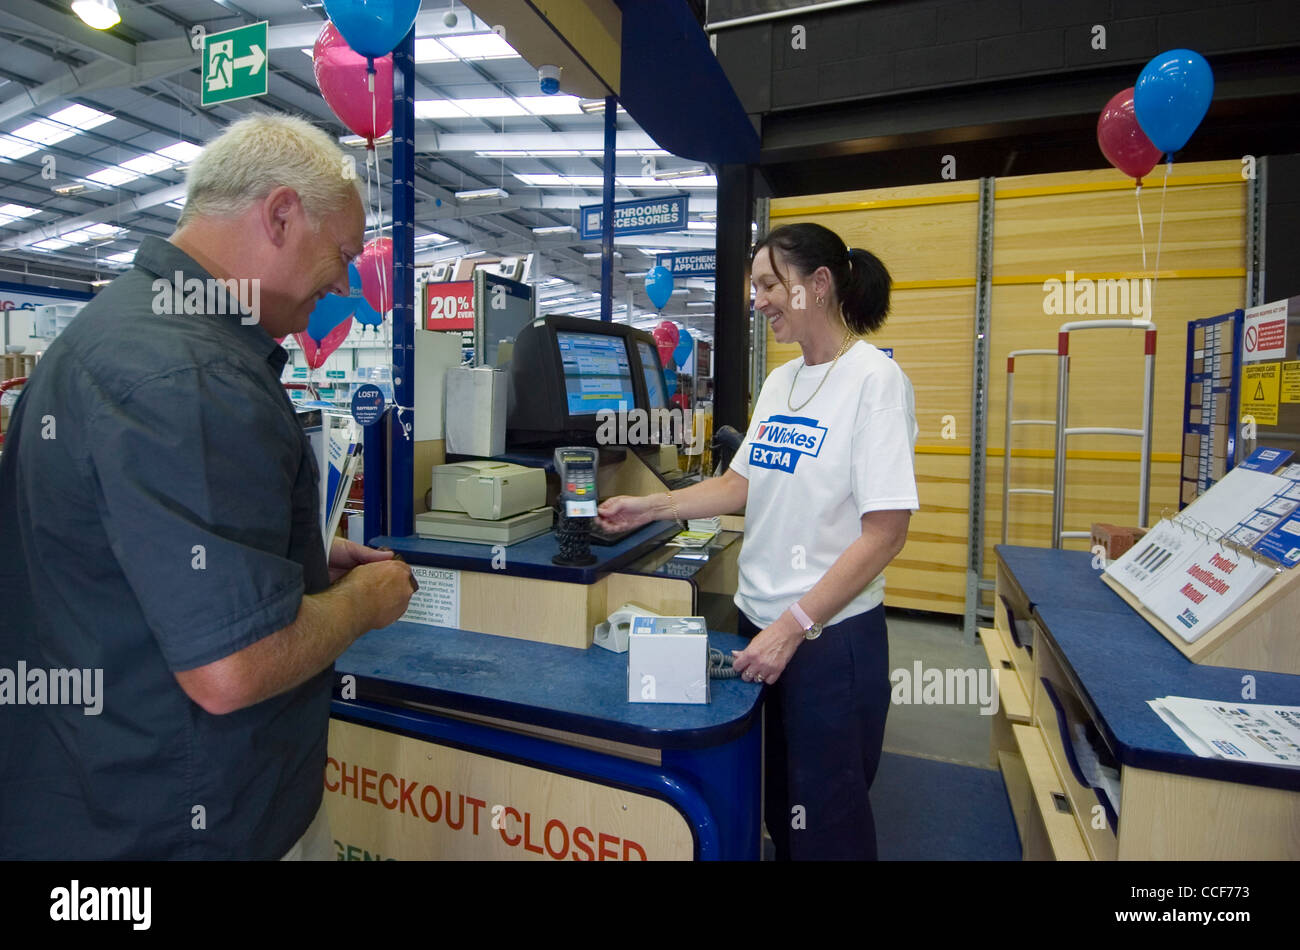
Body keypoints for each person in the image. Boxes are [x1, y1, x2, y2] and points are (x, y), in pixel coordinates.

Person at [0, 114, 417, 859]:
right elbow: (229, 670)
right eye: (343, 254)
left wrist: (301, 561)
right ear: (282, 214)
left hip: (91, 800)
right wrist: (360, 604)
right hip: (189, 824)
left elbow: (133, 562)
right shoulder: (197, 376)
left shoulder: (106, 333)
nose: (345, 282)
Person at [597, 222, 918, 860]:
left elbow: (886, 533)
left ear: (819, 285)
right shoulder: (780, 382)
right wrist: (651, 506)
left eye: (771, 284)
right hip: (758, 625)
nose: (759, 300)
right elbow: (739, 484)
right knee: (780, 803)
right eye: (755, 287)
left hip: (828, 638)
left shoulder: (874, 384)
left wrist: (794, 625)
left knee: (829, 819)